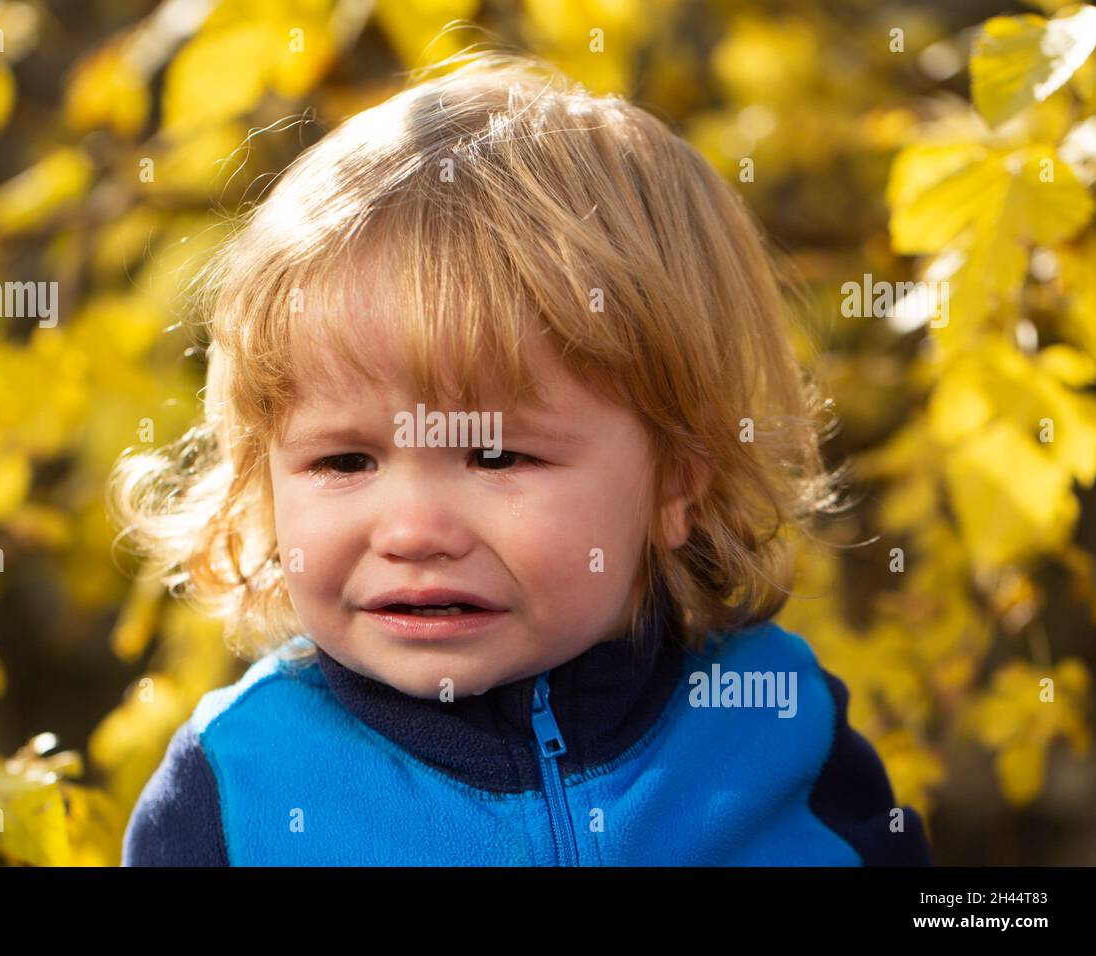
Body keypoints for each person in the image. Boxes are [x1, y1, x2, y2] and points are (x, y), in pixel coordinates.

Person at [110, 50, 934, 866]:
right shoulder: (239, 785)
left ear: (680, 475)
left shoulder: (772, 720)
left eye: (497, 456)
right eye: (346, 462)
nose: (413, 531)